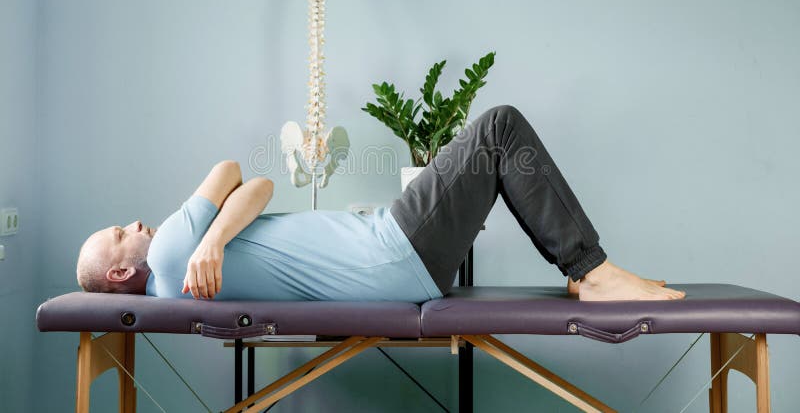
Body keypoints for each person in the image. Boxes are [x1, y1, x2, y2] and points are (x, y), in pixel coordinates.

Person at [76, 105, 686, 303]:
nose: (134, 224)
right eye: (119, 234)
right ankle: (591, 271)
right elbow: (232, 172)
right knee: (499, 128)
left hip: (392, 260)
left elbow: (259, 188)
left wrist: (216, 238)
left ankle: (586, 272)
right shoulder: (172, 253)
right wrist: (209, 239)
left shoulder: (182, 268)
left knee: (494, 146)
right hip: (390, 249)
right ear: (122, 271)